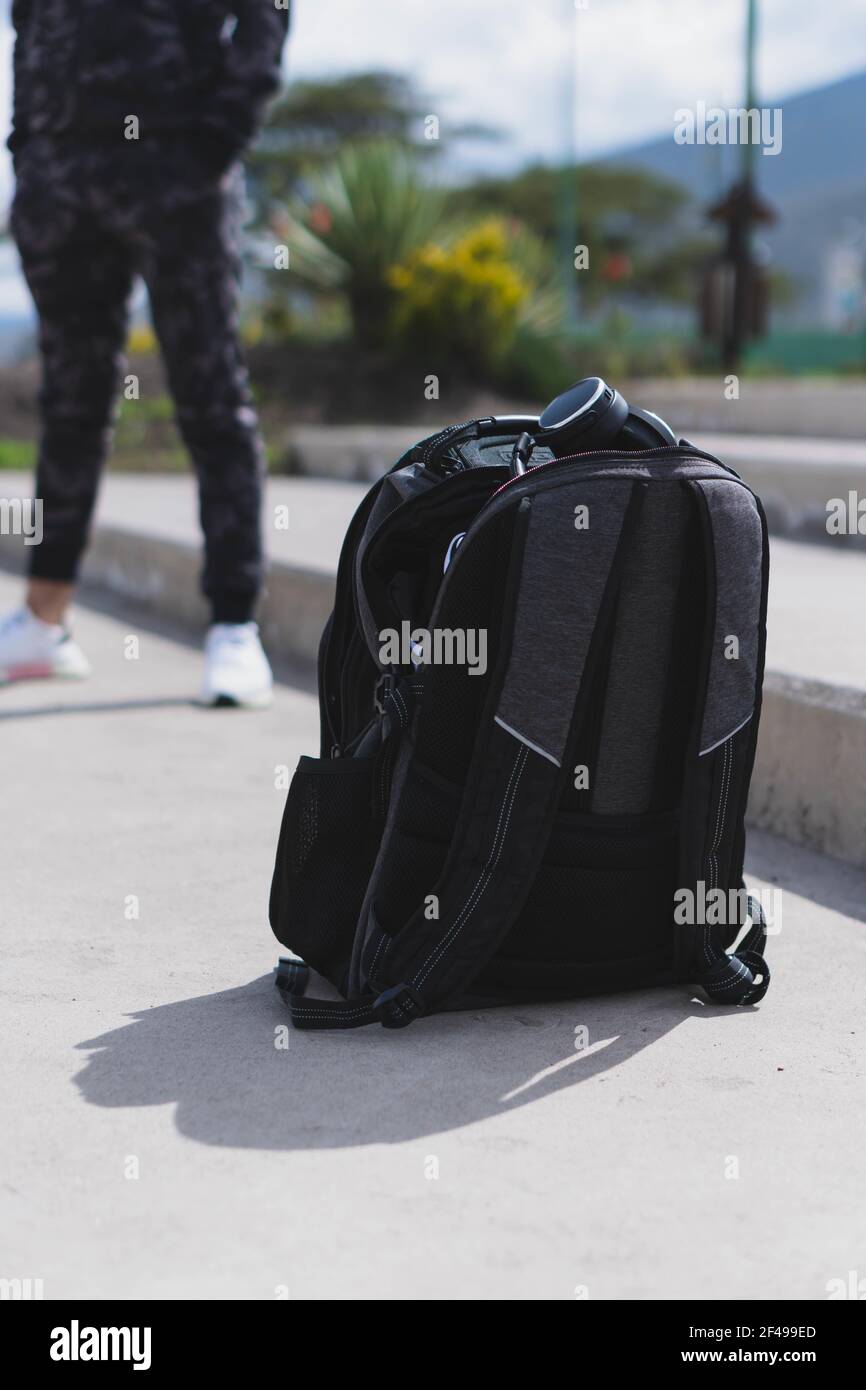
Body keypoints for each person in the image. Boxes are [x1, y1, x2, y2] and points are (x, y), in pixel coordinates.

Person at [0, 1, 291, 707]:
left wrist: (218, 140)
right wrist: (26, 147)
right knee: (70, 401)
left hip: (178, 171)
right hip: (61, 181)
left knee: (210, 394)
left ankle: (232, 626)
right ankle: (43, 619)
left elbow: (267, 14)